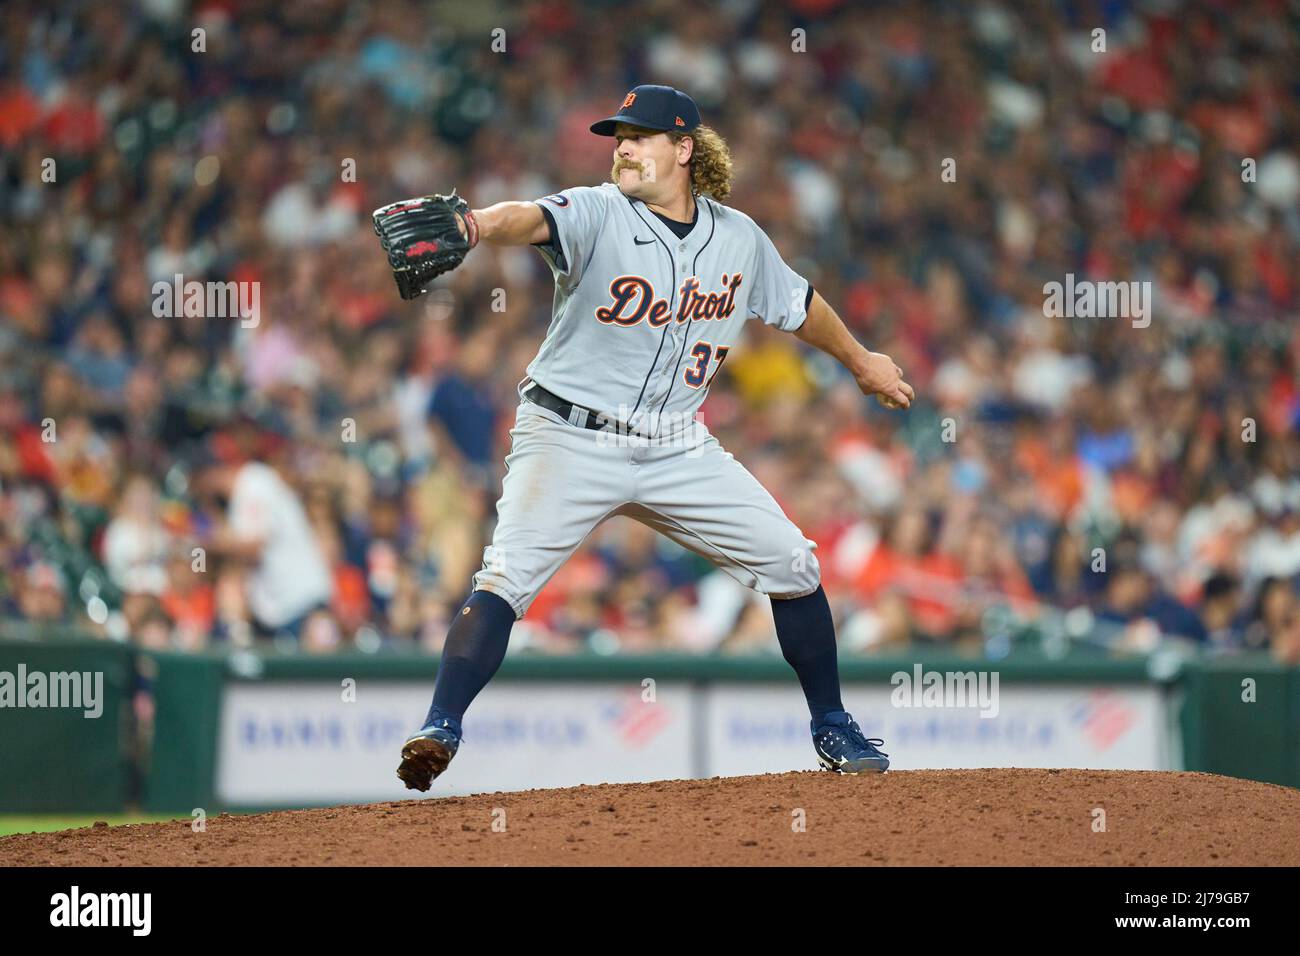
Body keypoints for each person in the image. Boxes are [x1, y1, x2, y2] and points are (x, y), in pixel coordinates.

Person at [397, 85, 914, 790]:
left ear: (684, 150)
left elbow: (800, 306)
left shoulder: (737, 237)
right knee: (506, 580)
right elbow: (529, 218)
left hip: (678, 443)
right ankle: (440, 727)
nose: (624, 148)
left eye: (639, 136)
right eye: (619, 137)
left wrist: (862, 361)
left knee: (793, 564)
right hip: (567, 435)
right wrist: (477, 225)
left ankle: (831, 723)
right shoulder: (599, 211)